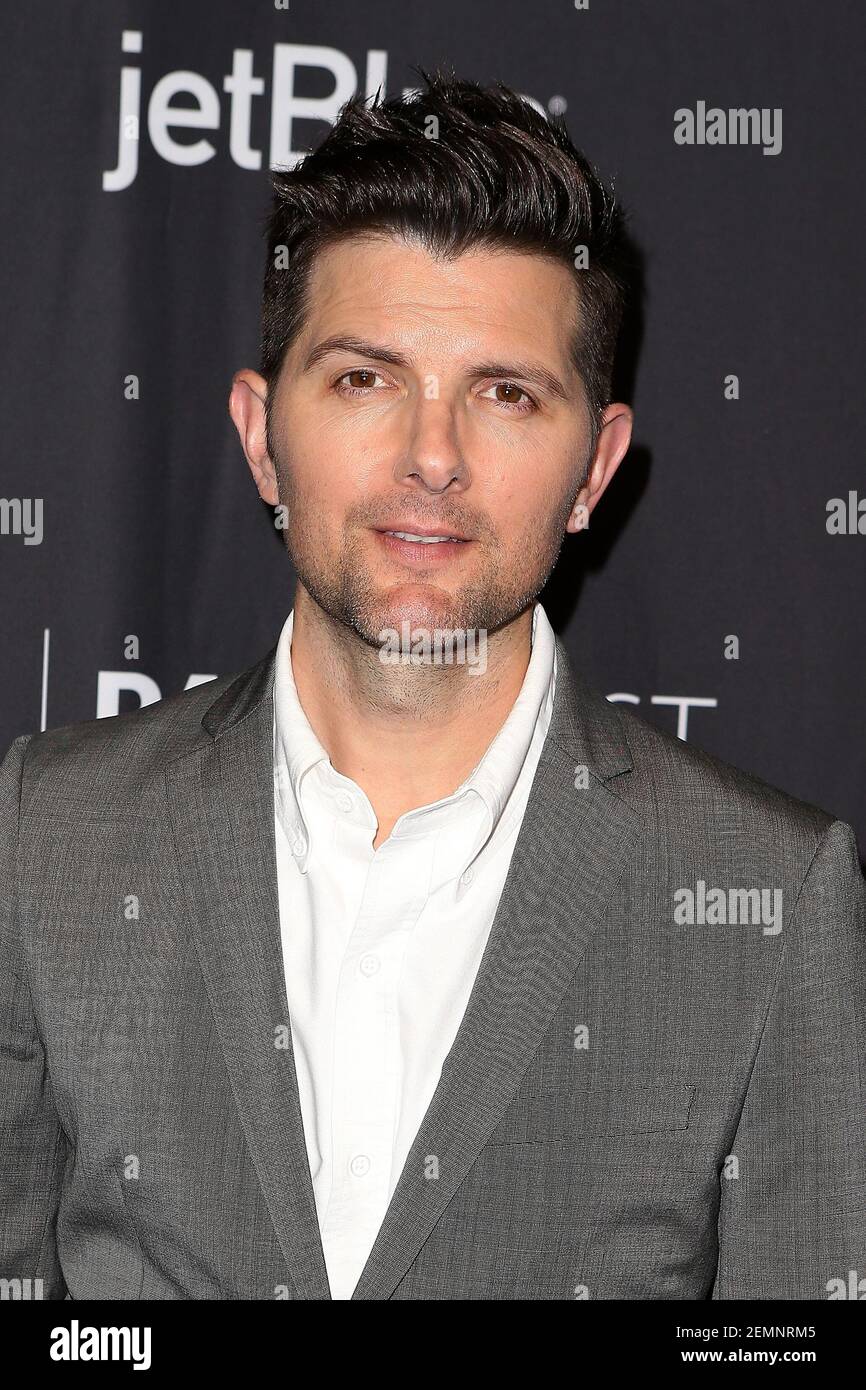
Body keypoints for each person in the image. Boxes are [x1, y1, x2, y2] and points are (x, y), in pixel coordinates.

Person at [1, 72, 863, 1301]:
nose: (432, 457)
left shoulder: (769, 901)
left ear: (593, 468)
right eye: (364, 378)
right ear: (260, 437)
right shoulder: (50, 836)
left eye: (504, 394)